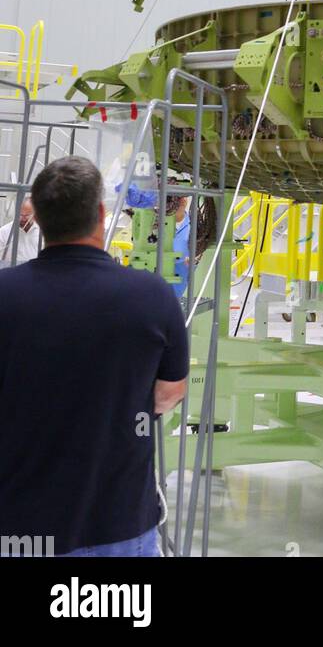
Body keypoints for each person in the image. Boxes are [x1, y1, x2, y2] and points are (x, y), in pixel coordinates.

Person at [0, 157, 189, 558]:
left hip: (21, 530)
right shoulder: (152, 296)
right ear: (102, 214)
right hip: (119, 526)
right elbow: (170, 393)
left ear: (39, 217)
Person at [0, 197, 40, 267]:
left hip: (36, 273)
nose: (23, 219)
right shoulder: (4, 232)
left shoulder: (42, 231)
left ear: (35, 214)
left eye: (27, 215)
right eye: (20, 215)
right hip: (12, 273)